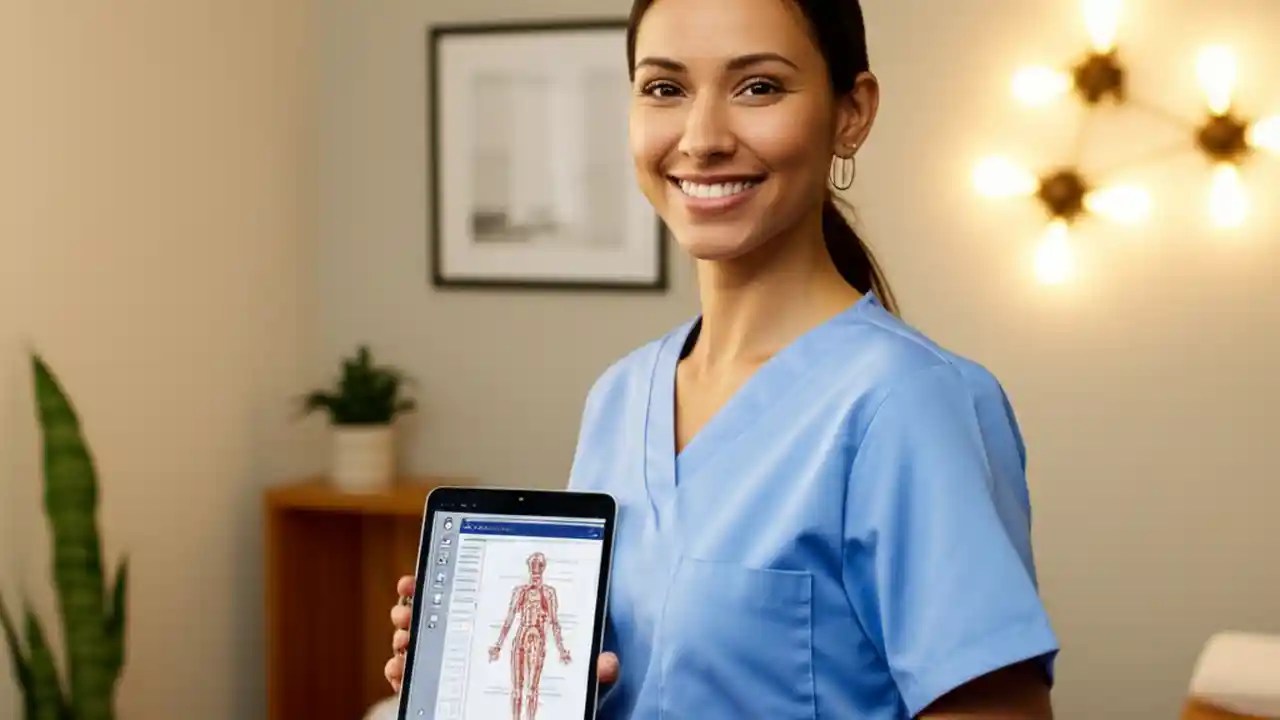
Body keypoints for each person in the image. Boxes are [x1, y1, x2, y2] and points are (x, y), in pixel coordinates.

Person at [388, 0, 1060, 716]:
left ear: (852, 113)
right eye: (664, 88)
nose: (702, 138)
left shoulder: (910, 403)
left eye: (758, 87)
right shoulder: (619, 396)